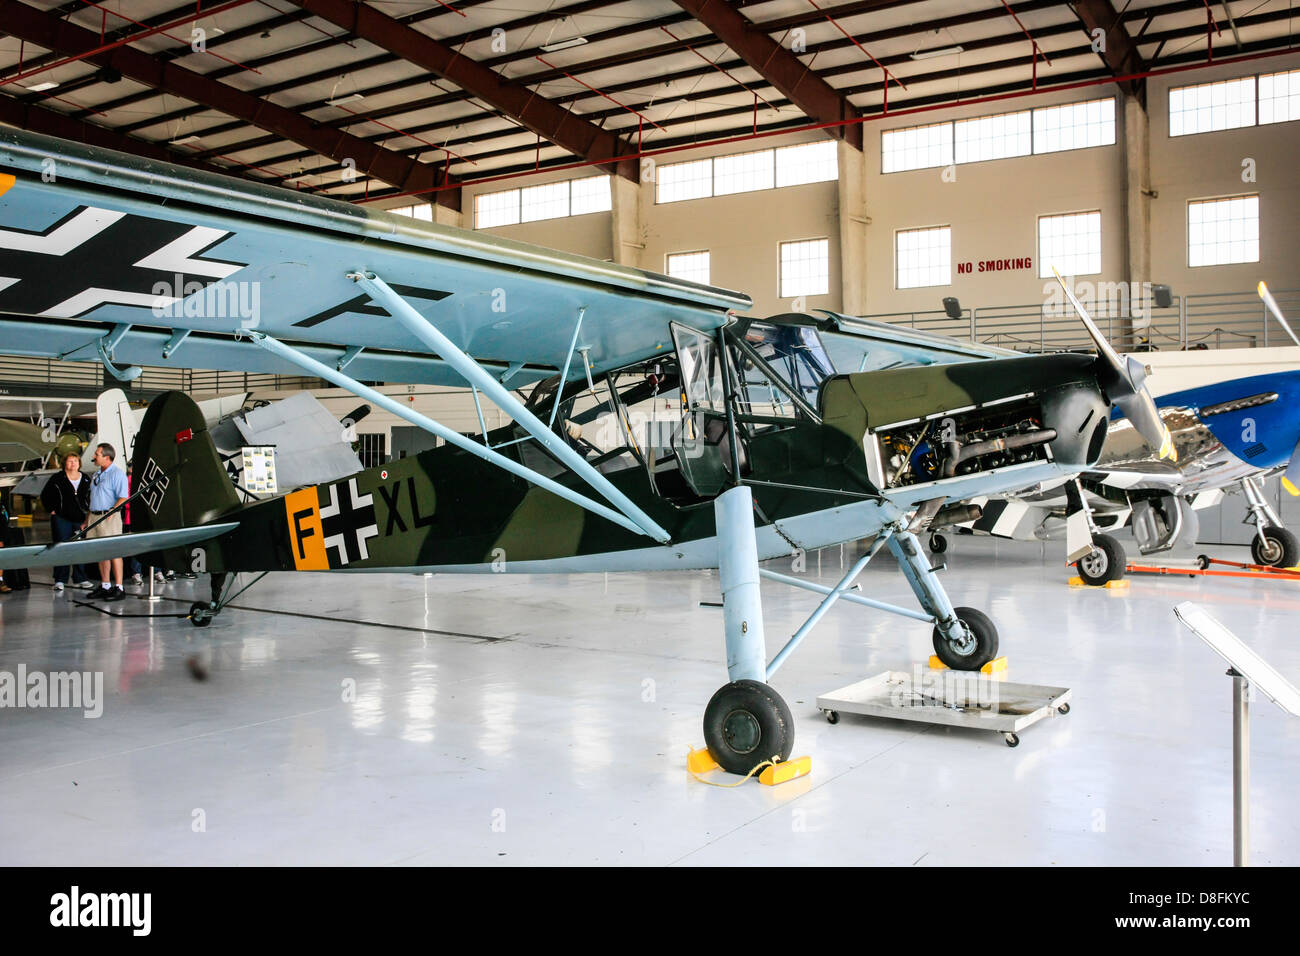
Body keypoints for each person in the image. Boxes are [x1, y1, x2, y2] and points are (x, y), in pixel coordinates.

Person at [40, 452, 93, 592]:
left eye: (75, 461)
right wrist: (51, 509)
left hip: (80, 519)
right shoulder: (57, 478)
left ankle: (81, 578)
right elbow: (45, 495)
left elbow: (89, 496)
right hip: (62, 518)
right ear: (65, 463)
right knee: (60, 547)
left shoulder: (85, 478)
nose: (73, 463)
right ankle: (60, 579)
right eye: (70, 461)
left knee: (80, 548)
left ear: (79, 463)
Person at [85, 443, 129, 602]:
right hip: (94, 517)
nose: (94, 457)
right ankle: (105, 585)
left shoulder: (117, 474)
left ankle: (119, 587)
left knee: (114, 552)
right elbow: (93, 498)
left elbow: (123, 496)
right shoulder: (97, 474)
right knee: (100, 552)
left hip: (109, 517)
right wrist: (87, 520)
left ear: (106, 457)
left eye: (97, 454)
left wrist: (113, 510)